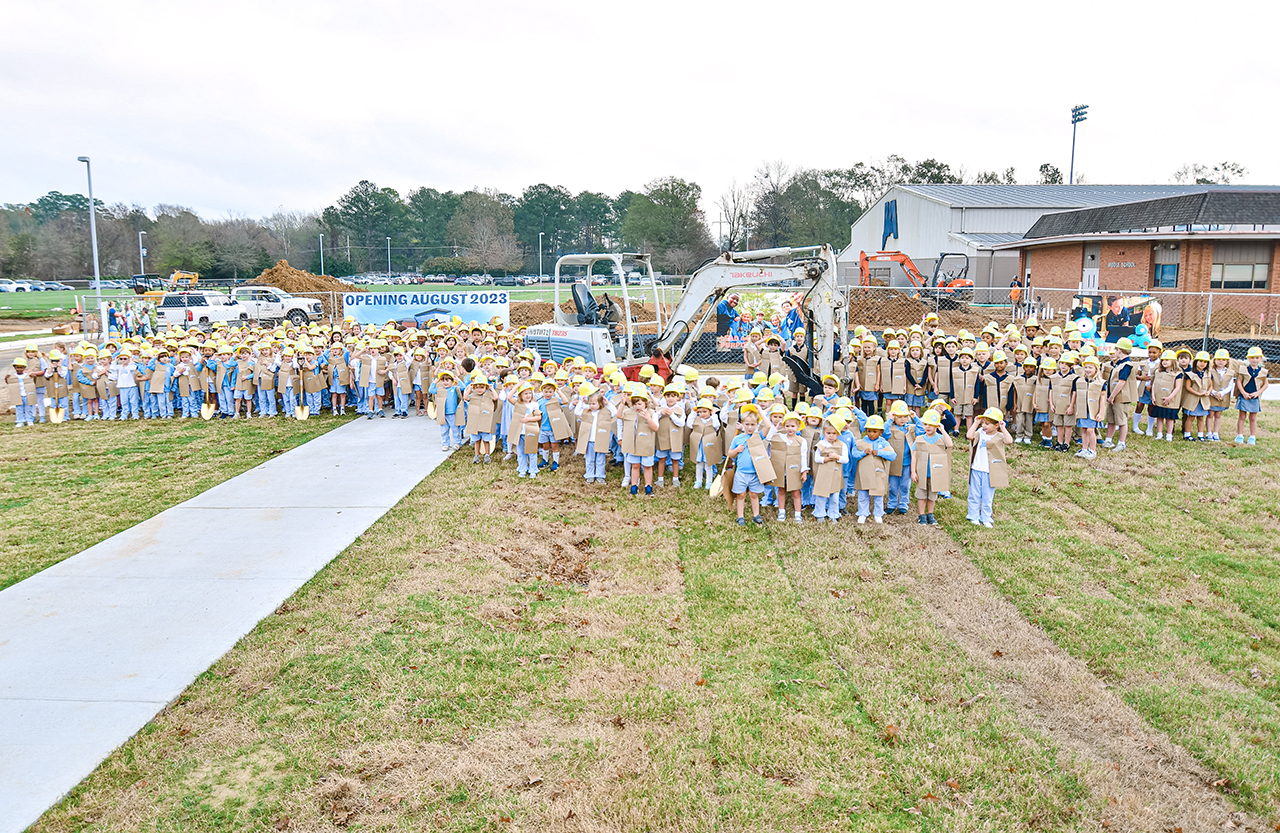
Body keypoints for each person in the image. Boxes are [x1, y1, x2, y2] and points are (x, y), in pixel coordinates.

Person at [966, 407, 1013, 528]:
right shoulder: (980, 433)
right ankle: (973, 515)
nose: (984, 426)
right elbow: (969, 436)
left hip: (990, 471)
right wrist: (976, 423)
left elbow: (1009, 441)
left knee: (988, 496)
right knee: (974, 494)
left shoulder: (999, 436)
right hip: (976, 468)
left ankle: (986, 517)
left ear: (996, 425)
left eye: (987, 424)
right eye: (983, 423)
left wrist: (1003, 428)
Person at [726, 404, 768, 525]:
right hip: (741, 472)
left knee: (754, 494)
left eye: (753, 424)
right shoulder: (738, 438)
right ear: (742, 424)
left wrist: (760, 411)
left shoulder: (758, 436)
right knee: (741, 495)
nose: (750, 427)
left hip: (755, 472)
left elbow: (768, 426)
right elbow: (730, 453)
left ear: (757, 424)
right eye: (747, 424)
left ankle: (756, 515)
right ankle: (740, 517)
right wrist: (736, 450)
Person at [851, 414, 895, 524]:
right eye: (869, 431)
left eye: (875, 432)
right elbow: (854, 454)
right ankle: (862, 513)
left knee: (878, 494)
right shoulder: (861, 442)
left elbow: (892, 455)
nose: (871, 434)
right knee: (863, 493)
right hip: (865, 473)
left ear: (881, 432)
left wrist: (879, 453)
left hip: (878, 473)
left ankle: (878, 513)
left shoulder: (883, 443)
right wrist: (863, 453)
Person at [912, 408, 952, 525]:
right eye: (925, 424)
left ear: (936, 425)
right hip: (922, 473)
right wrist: (913, 472)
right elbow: (914, 455)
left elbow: (949, 444)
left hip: (935, 473)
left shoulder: (940, 438)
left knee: (932, 495)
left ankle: (930, 513)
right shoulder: (919, 439)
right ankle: (921, 515)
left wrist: (942, 430)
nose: (928, 427)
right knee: (921, 495)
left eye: (931, 425)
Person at [811, 415, 849, 523]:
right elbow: (816, 459)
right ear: (824, 432)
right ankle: (820, 514)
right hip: (823, 473)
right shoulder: (821, 444)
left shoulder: (842, 445)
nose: (831, 436)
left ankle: (833, 514)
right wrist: (826, 459)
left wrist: (837, 457)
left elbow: (846, 459)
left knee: (834, 496)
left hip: (835, 474)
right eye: (828, 433)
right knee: (821, 495)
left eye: (834, 433)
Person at [1234, 346, 1267, 445]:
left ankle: (1252, 436)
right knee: (1242, 416)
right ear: (1248, 358)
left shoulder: (1263, 372)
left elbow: (1266, 384)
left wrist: (1258, 393)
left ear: (1261, 358)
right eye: (1252, 358)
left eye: (1257, 358)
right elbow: (1239, 381)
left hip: (1254, 397)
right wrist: (1243, 393)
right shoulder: (1243, 370)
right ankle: (1240, 435)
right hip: (1244, 396)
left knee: (1253, 418)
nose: (1254, 360)